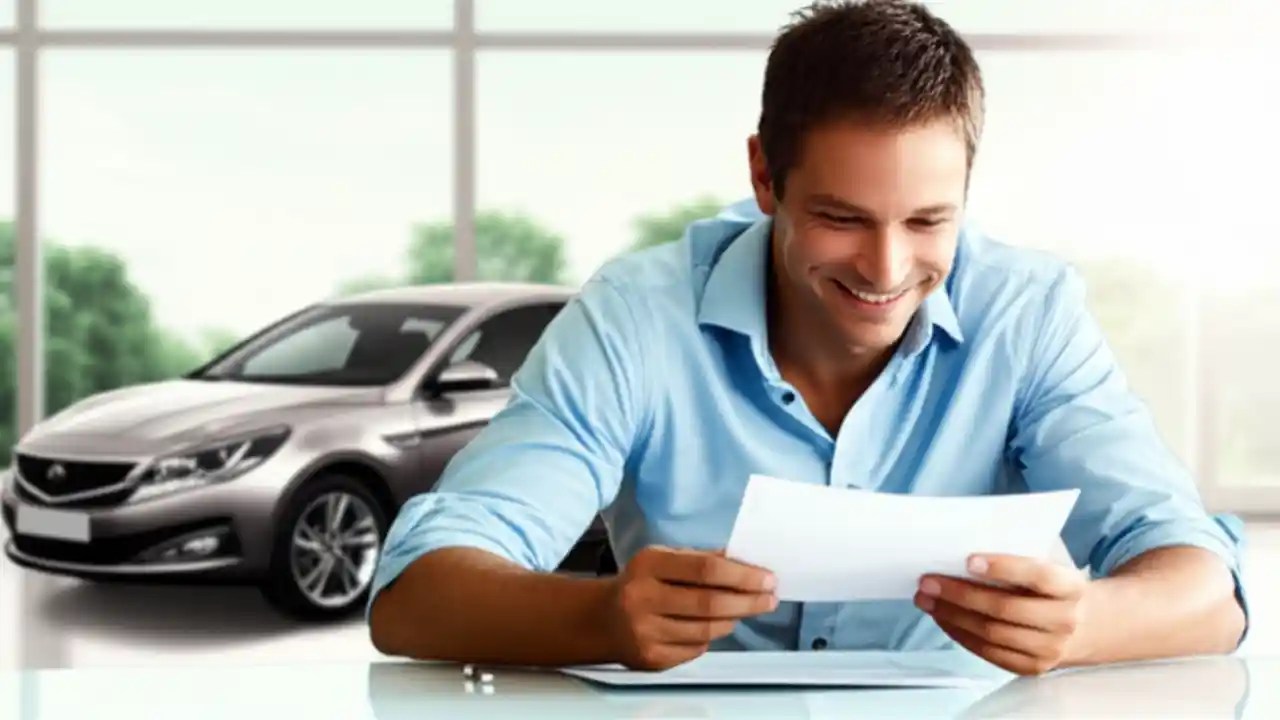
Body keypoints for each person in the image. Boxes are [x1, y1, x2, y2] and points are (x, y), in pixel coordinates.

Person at [367, 0, 1248, 676]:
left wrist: (1084, 623)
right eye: (840, 217)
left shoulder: (1029, 313)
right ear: (763, 175)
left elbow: (1210, 591)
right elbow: (412, 595)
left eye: (930, 219)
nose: (887, 266)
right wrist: (599, 620)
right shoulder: (637, 317)